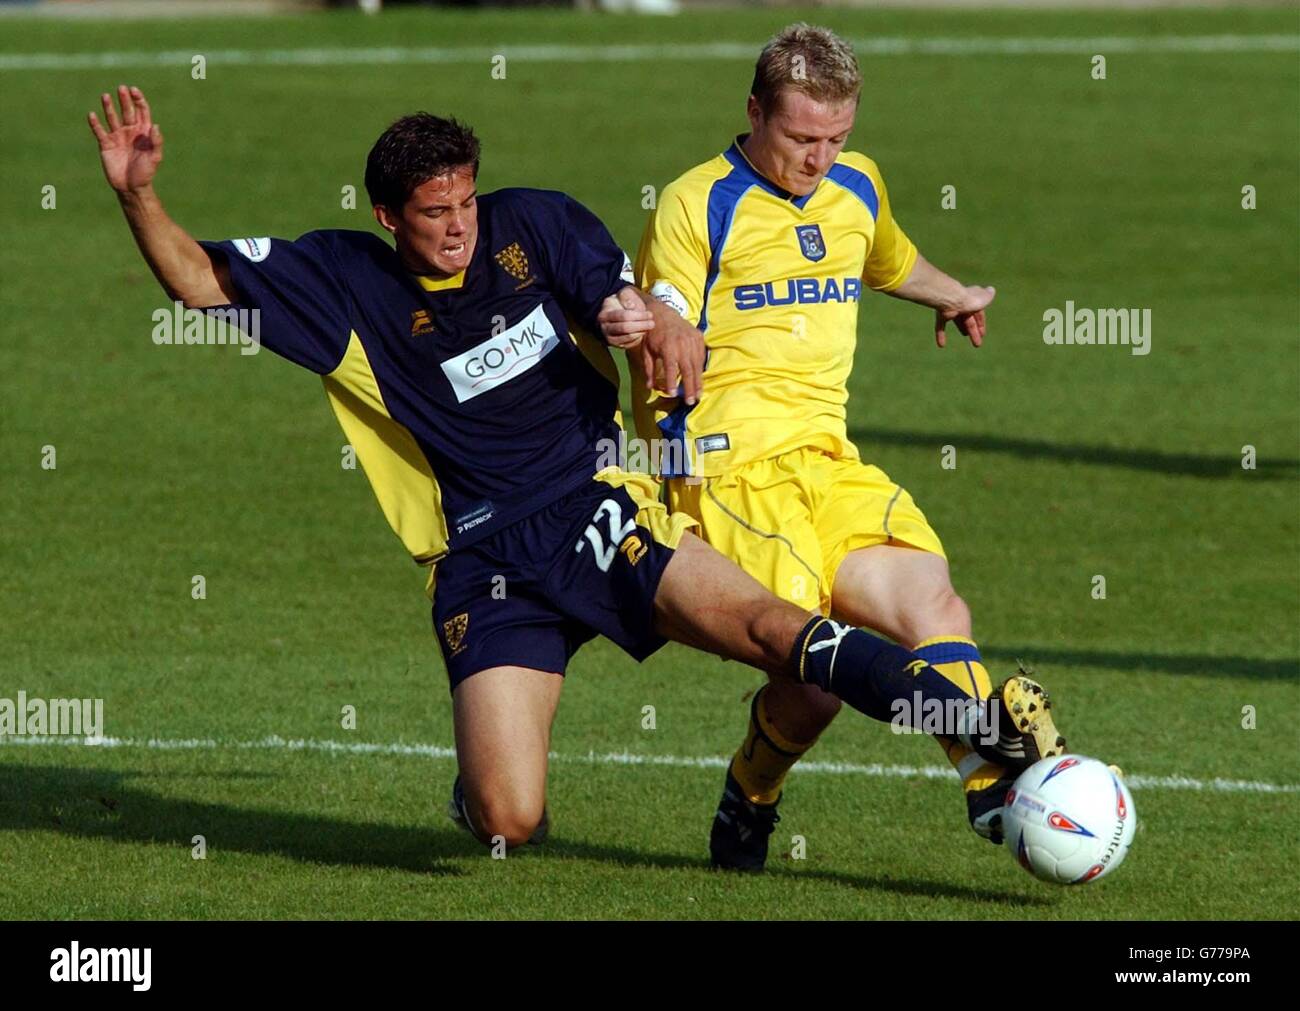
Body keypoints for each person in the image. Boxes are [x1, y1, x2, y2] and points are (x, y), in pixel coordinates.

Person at [90, 84, 1055, 853]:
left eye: (467, 200)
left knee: (780, 631)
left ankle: (981, 732)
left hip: (597, 506)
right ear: (389, 215)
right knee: (509, 821)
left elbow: (613, 297)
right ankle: (486, 801)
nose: (459, 226)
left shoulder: (533, 225)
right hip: (483, 558)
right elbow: (196, 279)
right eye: (434, 212)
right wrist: (138, 194)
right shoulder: (346, 284)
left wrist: (644, 319)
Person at [632, 23, 1065, 870]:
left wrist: (951, 294)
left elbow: (885, 257)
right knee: (816, 683)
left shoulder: (857, 185)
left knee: (935, 610)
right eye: (800, 137)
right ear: (754, 111)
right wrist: (667, 324)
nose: (819, 157)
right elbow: (661, 303)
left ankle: (988, 776)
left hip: (827, 461)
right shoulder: (696, 202)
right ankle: (752, 791)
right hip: (726, 470)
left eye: (836, 137)